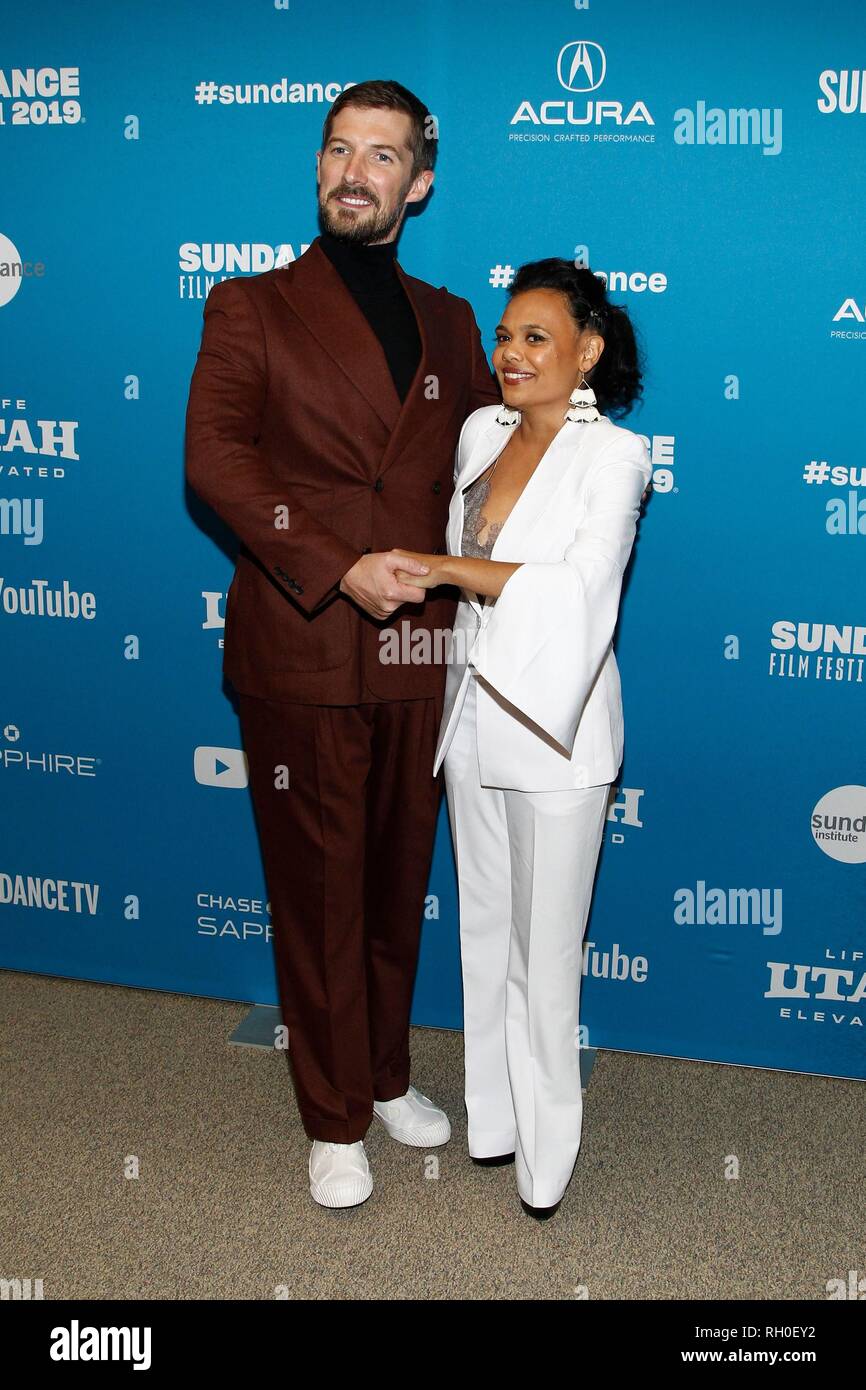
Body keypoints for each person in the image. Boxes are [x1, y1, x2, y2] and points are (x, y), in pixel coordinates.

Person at [184, 79, 500, 1210]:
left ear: (417, 183)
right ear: (318, 167)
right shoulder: (249, 305)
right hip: (305, 637)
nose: (351, 172)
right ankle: (329, 1117)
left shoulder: (453, 318)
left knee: (393, 877)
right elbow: (219, 461)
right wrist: (328, 558)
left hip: (420, 648)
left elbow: (486, 456)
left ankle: (382, 1073)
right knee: (317, 888)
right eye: (335, 150)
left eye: (379, 155)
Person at [393, 258, 652, 1218]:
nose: (510, 353)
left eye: (535, 337)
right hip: (471, 716)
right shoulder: (478, 431)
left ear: (586, 351)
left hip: (558, 727)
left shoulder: (618, 455)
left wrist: (445, 565)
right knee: (485, 932)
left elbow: (583, 589)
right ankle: (493, 1121)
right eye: (504, 336)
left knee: (548, 955)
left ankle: (550, 1153)